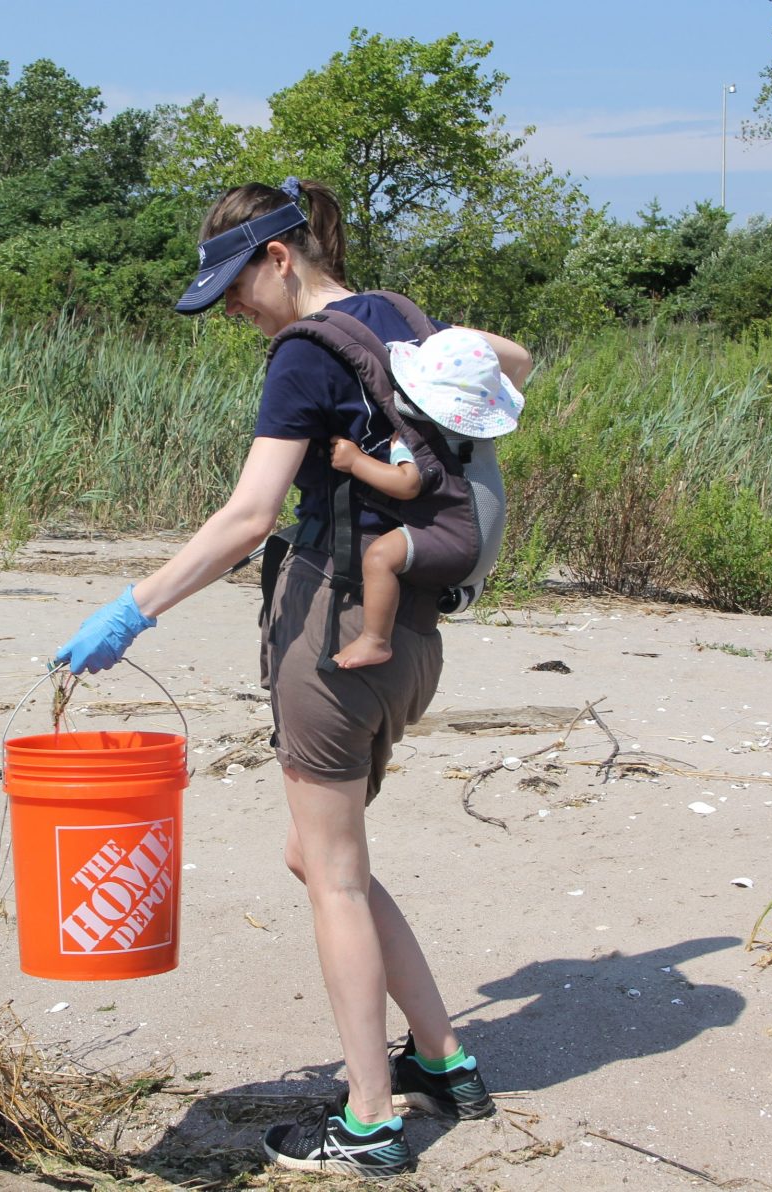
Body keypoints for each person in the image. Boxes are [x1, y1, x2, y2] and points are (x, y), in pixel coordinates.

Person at [55, 176, 533, 1179]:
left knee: (336, 876)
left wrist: (131, 610)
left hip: (332, 629)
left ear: (282, 257)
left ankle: (367, 1119)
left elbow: (246, 517)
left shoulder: (304, 359)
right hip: (412, 643)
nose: (231, 309)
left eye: (237, 285)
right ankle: (443, 1059)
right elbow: (515, 364)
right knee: (317, 855)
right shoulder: (398, 319)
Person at [327, 431, 422, 669]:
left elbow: (408, 483)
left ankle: (375, 640)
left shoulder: (411, 434)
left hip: (451, 528)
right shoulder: (470, 435)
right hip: (476, 531)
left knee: (380, 557)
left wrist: (356, 461)